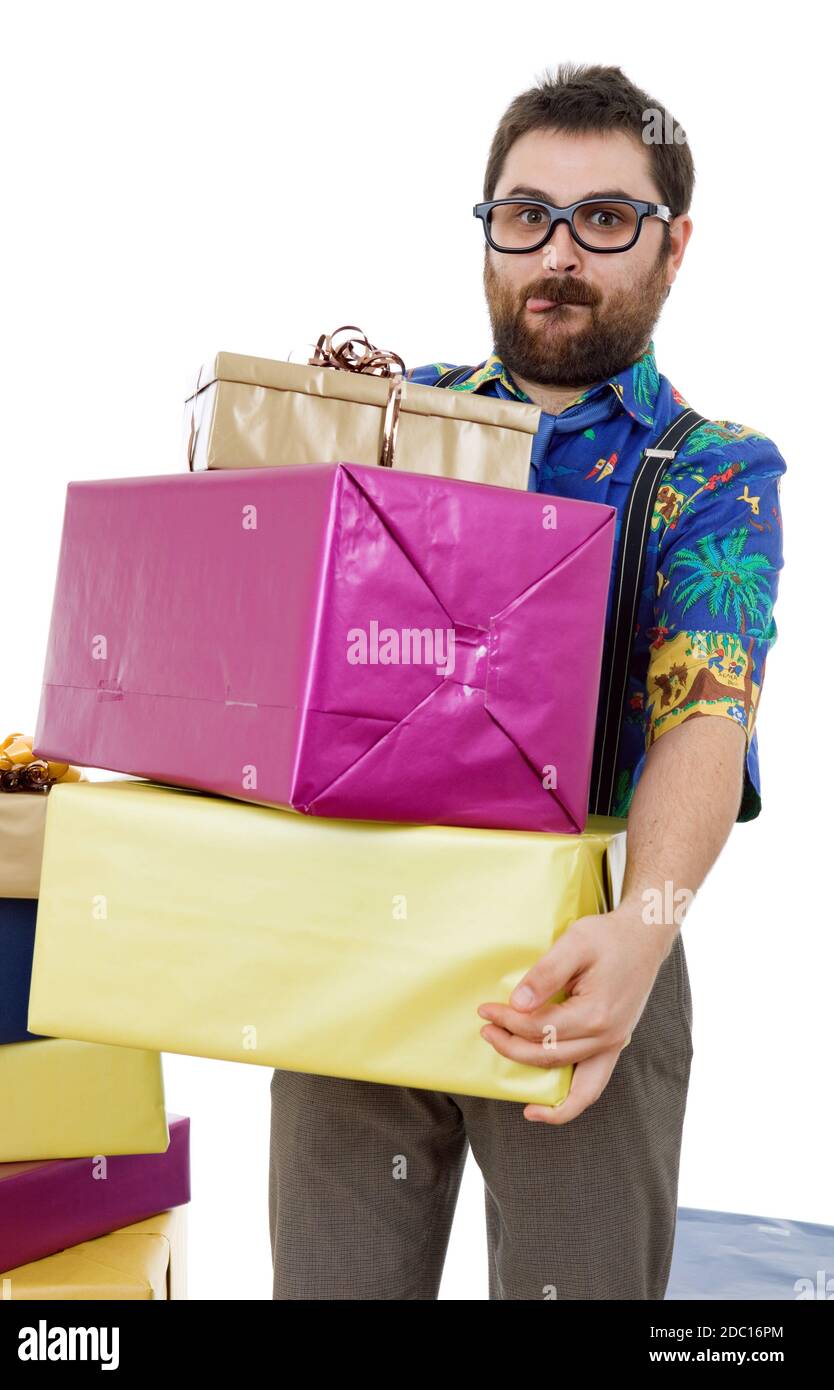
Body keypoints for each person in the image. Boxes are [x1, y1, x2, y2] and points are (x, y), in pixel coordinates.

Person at [268, 62, 786, 1300]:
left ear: (671, 247)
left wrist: (641, 933)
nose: (557, 251)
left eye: (605, 218)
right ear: (488, 229)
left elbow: (706, 714)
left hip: (584, 948)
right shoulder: (392, 419)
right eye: (525, 215)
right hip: (361, 935)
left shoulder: (711, 473)